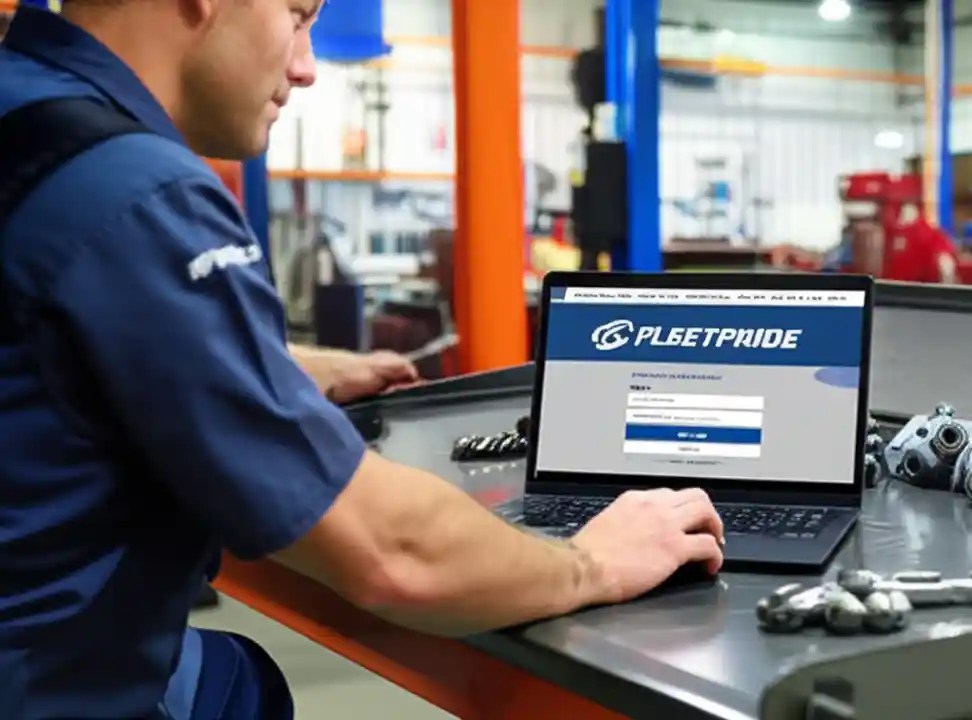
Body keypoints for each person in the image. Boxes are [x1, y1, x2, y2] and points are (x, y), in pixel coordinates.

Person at [0, 2, 725, 719]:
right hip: (48, 689)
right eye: (298, 15)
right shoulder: (134, 188)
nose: (306, 67)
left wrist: (268, 365)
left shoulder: (24, 112)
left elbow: (65, 330)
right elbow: (393, 552)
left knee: (236, 681)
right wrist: (592, 563)